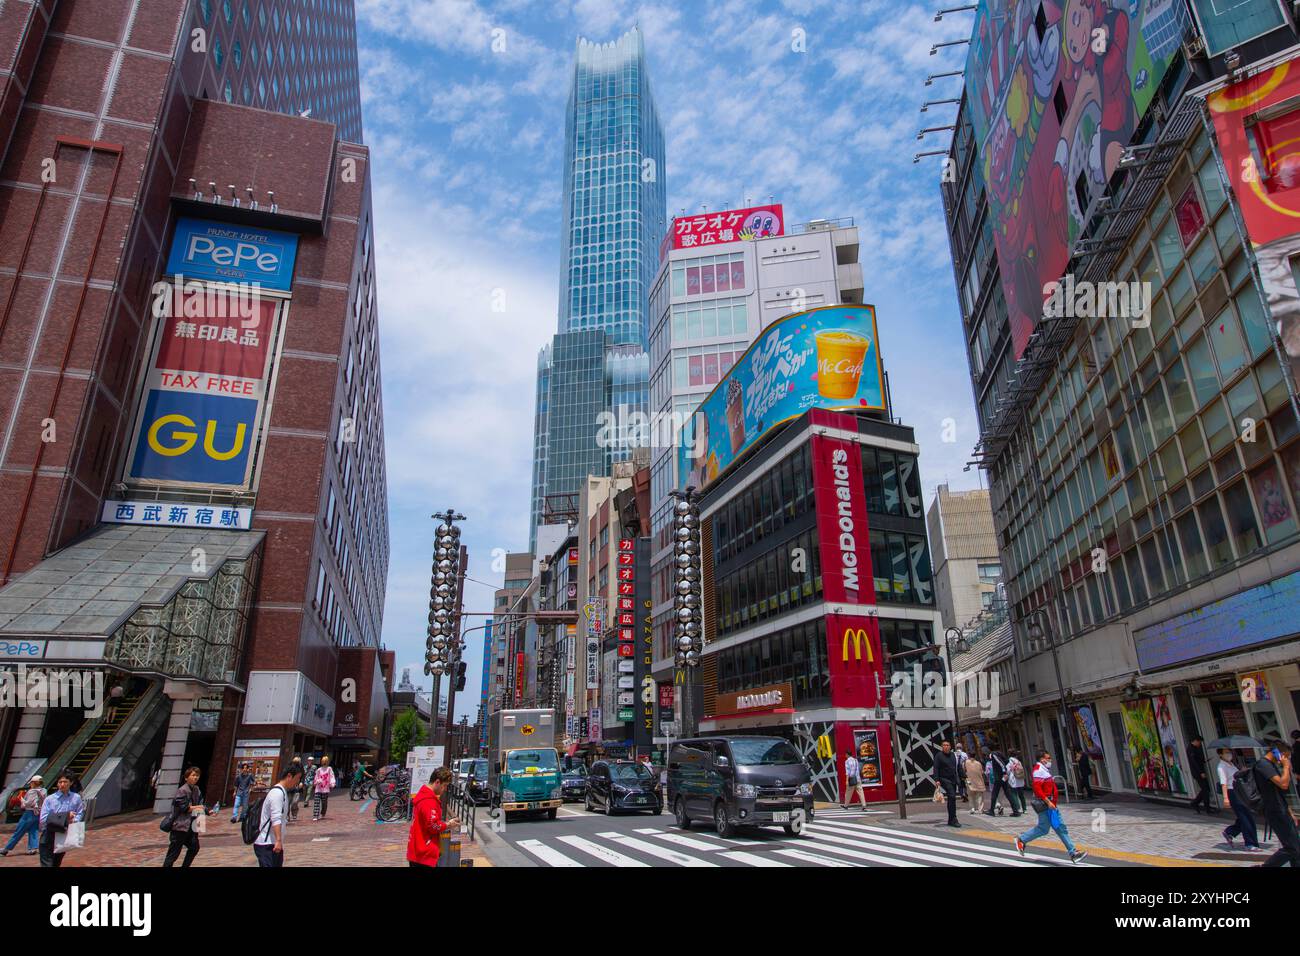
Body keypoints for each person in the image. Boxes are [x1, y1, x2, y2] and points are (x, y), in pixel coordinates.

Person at [1015, 751, 1087, 863]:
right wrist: (1048, 802)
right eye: (1048, 758)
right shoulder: (1038, 770)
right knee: (1058, 827)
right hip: (1047, 805)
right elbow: (1038, 789)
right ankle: (1073, 852)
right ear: (1042, 759)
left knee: (1045, 828)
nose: (1050, 760)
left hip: (1050, 805)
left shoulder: (1043, 770)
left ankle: (1022, 840)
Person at [1253, 740, 1299, 868]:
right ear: (1278, 752)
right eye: (1286, 756)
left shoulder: (1271, 765)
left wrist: (1290, 812)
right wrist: (1286, 767)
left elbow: (1279, 792)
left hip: (1282, 809)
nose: (1287, 759)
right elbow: (1283, 784)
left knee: (1296, 848)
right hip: (1275, 811)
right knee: (1292, 848)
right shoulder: (1263, 765)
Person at [407, 767, 460, 868]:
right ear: (437, 782)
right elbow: (433, 825)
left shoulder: (423, 796)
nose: (444, 789)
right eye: (444, 786)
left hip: (418, 849)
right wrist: (449, 824)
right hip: (424, 852)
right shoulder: (428, 801)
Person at [253, 764, 303, 867]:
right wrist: (278, 840)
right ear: (289, 776)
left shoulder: (282, 791)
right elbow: (276, 818)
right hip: (267, 843)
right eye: (297, 778)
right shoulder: (277, 793)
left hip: (272, 843)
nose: (298, 781)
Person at [1216, 748, 1260, 851]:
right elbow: (1224, 783)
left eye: (1229, 752)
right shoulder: (1221, 767)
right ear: (1220, 754)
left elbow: (1235, 776)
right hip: (1232, 792)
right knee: (1245, 817)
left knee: (1244, 816)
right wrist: (1226, 798)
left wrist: (1242, 771)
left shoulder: (1232, 764)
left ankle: (1230, 832)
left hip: (1240, 791)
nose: (1229, 754)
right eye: (1226, 752)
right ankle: (1250, 843)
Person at [37, 772, 85, 868]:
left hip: (64, 835)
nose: (62, 784)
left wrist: (74, 820)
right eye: (60, 782)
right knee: (47, 864)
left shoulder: (76, 798)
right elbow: (43, 819)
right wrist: (66, 816)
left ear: (70, 783)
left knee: (56, 864)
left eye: (65, 782)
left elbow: (80, 812)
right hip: (49, 835)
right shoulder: (50, 799)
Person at [163, 766, 206, 867]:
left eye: (197, 775)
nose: (196, 777)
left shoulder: (196, 789)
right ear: (186, 778)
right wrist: (200, 807)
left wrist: (209, 811)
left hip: (191, 827)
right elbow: (185, 808)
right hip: (180, 826)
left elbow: (200, 805)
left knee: (194, 847)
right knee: (173, 855)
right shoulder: (182, 790)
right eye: (193, 775)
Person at [1, 774, 45, 857]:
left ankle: (6, 849)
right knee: (33, 830)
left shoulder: (32, 791)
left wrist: (21, 799)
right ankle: (33, 848)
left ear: (34, 783)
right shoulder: (44, 791)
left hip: (29, 813)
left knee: (19, 831)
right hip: (37, 813)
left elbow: (27, 804)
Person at [933, 740, 960, 828]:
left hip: (953, 779)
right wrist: (936, 779)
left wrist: (964, 777)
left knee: (952, 798)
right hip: (943, 779)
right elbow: (936, 767)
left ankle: (951, 819)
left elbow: (958, 767)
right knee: (952, 796)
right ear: (942, 746)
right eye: (944, 745)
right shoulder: (939, 756)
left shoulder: (953, 755)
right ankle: (953, 819)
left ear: (950, 746)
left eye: (947, 745)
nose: (946, 746)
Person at [1187, 736, 1214, 814]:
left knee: (1206, 789)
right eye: (1199, 742)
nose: (1200, 744)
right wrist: (1201, 772)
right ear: (1195, 740)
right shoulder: (1191, 749)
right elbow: (1194, 762)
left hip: (1198, 772)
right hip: (1198, 773)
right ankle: (1205, 807)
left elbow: (1197, 760)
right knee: (1205, 789)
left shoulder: (1193, 748)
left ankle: (1196, 803)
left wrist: (1204, 761)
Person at [985, 747, 1013, 817]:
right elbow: (1006, 761)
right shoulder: (999, 753)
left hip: (999, 777)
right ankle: (1015, 810)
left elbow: (1001, 764)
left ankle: (991, 811)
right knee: (1007, 793)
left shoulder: (994, 754)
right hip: (1002, 777)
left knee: (994, 794)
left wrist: (1004, 772)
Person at [313, 756, 336, 821]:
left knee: (324, 803)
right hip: (318, 788)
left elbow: (332, 776)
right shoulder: (319, 769)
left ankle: (323, 813)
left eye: (325, 761)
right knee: (316, 802)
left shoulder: (329, 769)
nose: (324, 762)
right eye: (323, 761)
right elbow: (316, 778)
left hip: (325, 789)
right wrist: (317, 781)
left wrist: (332, 783)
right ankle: (315, 815)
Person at [1005, 750, 1027, 815]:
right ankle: (1024, 808)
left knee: (1014, 794)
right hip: (1020, 779)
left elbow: (1008, 771)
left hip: (1013, 779)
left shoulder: (1009, 761)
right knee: (1021, 795)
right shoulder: (1018, 761)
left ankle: (1018, 808)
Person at [288, 756, 305, 822]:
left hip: (297, 787)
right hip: (289, 786)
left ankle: (294, 814)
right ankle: (287, 816)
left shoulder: (300, 767)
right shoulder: (289, 766)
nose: (296, 764)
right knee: (288, 802)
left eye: (297, 762)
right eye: (295, 762)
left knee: (295, 802)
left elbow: (303, 775)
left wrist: (301, 782)